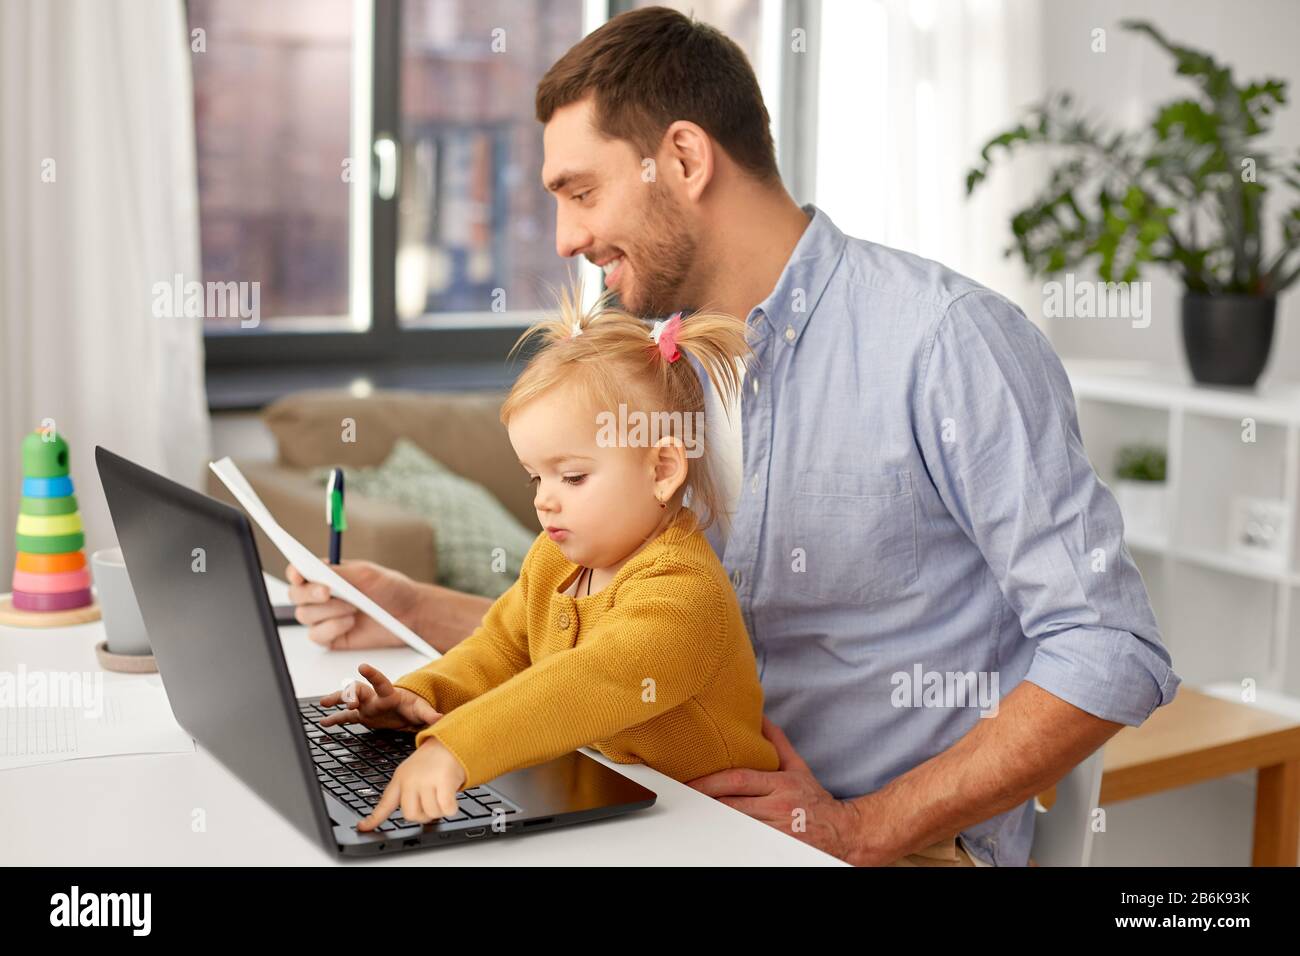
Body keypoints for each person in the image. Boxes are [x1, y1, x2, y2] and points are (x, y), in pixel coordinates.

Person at [290, 6, 1179, 865]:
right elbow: (604, 645)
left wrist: (862, 828)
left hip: (881, 851)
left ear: (682, 157)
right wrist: (405, 611)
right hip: (670, 816)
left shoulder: (944, 342)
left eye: (582, 192)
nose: (566, 237)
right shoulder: (650, 369)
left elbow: (1110, 649)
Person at [315, 288, 779, 832]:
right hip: (620, 802)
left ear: (662, 470)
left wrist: (454, 749)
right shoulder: (557, 559)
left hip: (718, 829)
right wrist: (422, 695)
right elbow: (502, 647)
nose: (543, 499)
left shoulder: (683, 595)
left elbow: (585, 683)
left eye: (573, 476)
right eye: (536, 476)